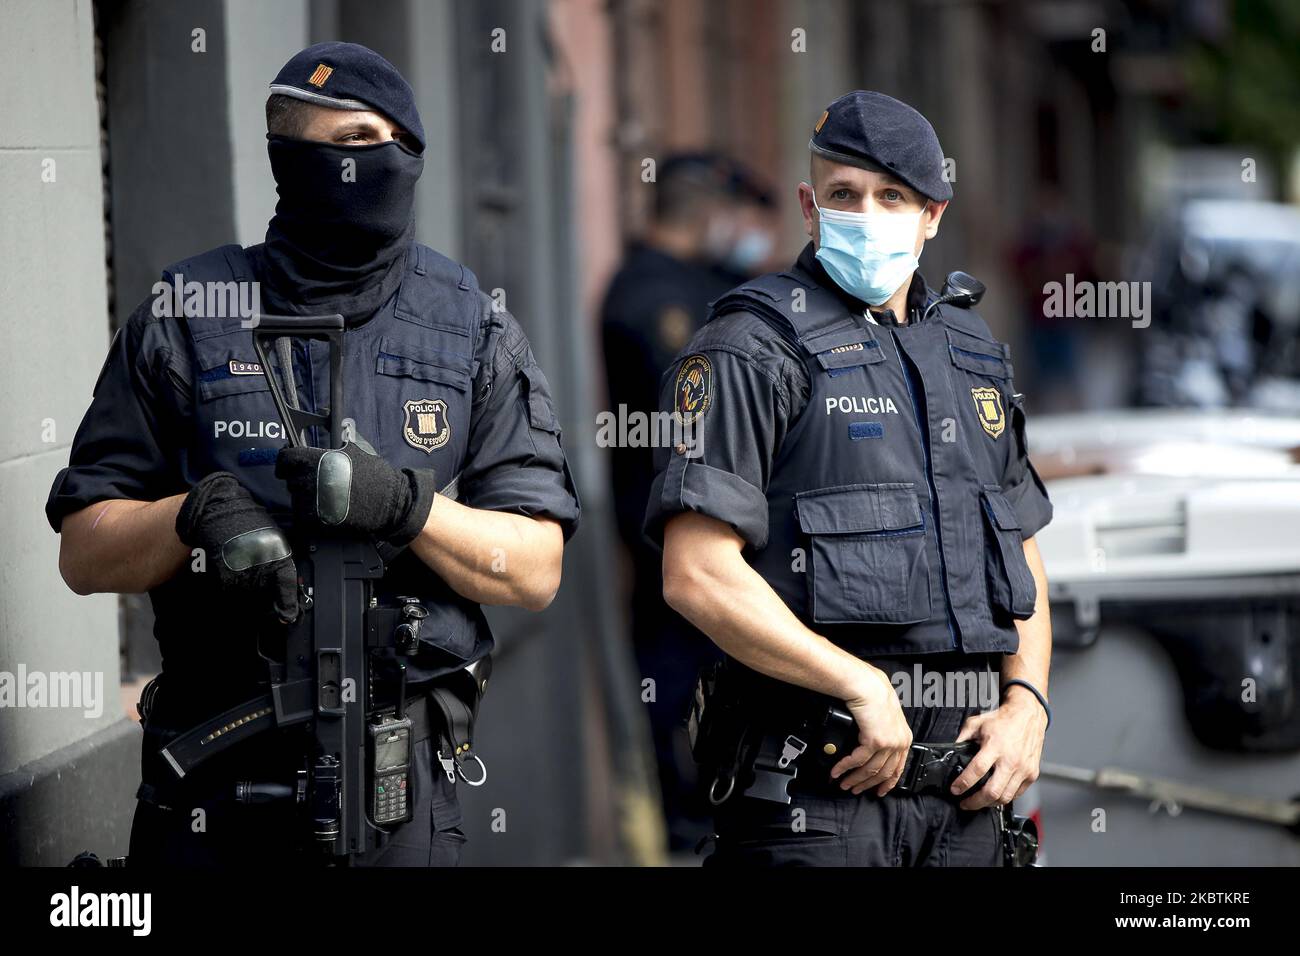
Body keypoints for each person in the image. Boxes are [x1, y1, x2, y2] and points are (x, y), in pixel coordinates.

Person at [46, 42, 579, 867]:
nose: (368, 164)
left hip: (398, 787)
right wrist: (191, 516)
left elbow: (535, 567)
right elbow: (84, 550)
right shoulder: (190, 314)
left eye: (385, 143)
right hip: (216, 778)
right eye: (343, 144)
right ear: (288, 159)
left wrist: (408, 507)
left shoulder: (470, 325)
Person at [645, 91, 1054, 866]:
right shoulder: (746, 350)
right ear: (810, 205)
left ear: (932, 213)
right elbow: (696, 573)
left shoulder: (972, 354)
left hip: (967, 803)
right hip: (816, 803)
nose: (866, 214)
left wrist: (1027, 702)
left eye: (891, 197)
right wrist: (859, 684)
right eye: (844, 195)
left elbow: (1022, 553)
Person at [600, 153, 773, 850]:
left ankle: (709, 801)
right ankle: (681, 812)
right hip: (663, 515)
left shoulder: (695, 282)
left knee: (715, 660)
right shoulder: (647, 296)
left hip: (711, 506)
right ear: (704, 216)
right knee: (673, 670)